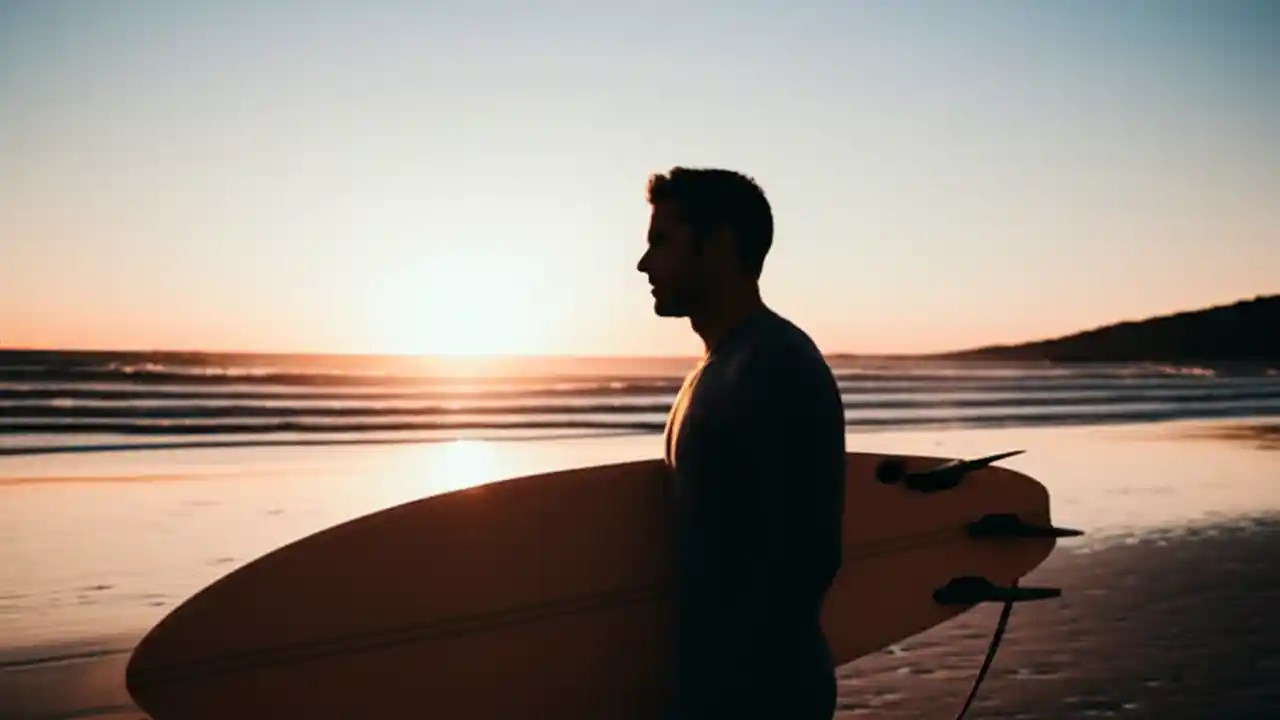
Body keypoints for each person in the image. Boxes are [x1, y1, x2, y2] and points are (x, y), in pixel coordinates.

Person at [636, 167, 847, 719]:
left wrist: (729, 693)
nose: (645, 263)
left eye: (662, 241)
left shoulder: (773, 366)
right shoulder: (718, 367)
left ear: (720, 244)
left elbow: (806, 554)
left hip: (759, 694)